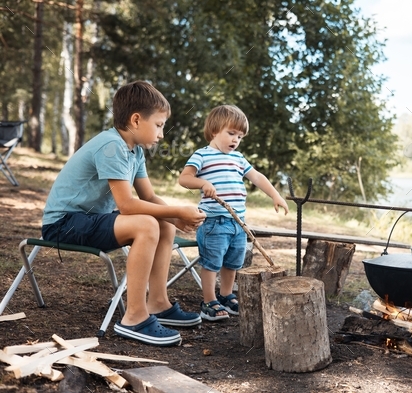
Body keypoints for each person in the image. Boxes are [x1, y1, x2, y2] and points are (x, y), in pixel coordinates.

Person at [41, 80, 206, 346]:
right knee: (147, 225)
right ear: (136, 120)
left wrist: (174, 217)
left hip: (89, 220)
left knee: (164, 225)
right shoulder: (112, 146)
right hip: (64, 224)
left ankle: (157, 303)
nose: (162, 134)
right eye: (159, 125)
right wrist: (176, 210)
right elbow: (127, 205)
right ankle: (134, 317)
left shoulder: (134, 151)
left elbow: (149, 197)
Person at [179, 105, 289, 321]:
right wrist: (202, 182)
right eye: (231, 133)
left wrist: (275, 195)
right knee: (212, 262)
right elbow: (184, 178)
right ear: (214, 131)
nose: (235, 140)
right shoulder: (203, 155)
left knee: (233, 262)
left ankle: (226, 295)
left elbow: (257, 177)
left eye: (239, 136)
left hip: (238, 223)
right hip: (214, 221)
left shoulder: (238, 158)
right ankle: (208, 301)